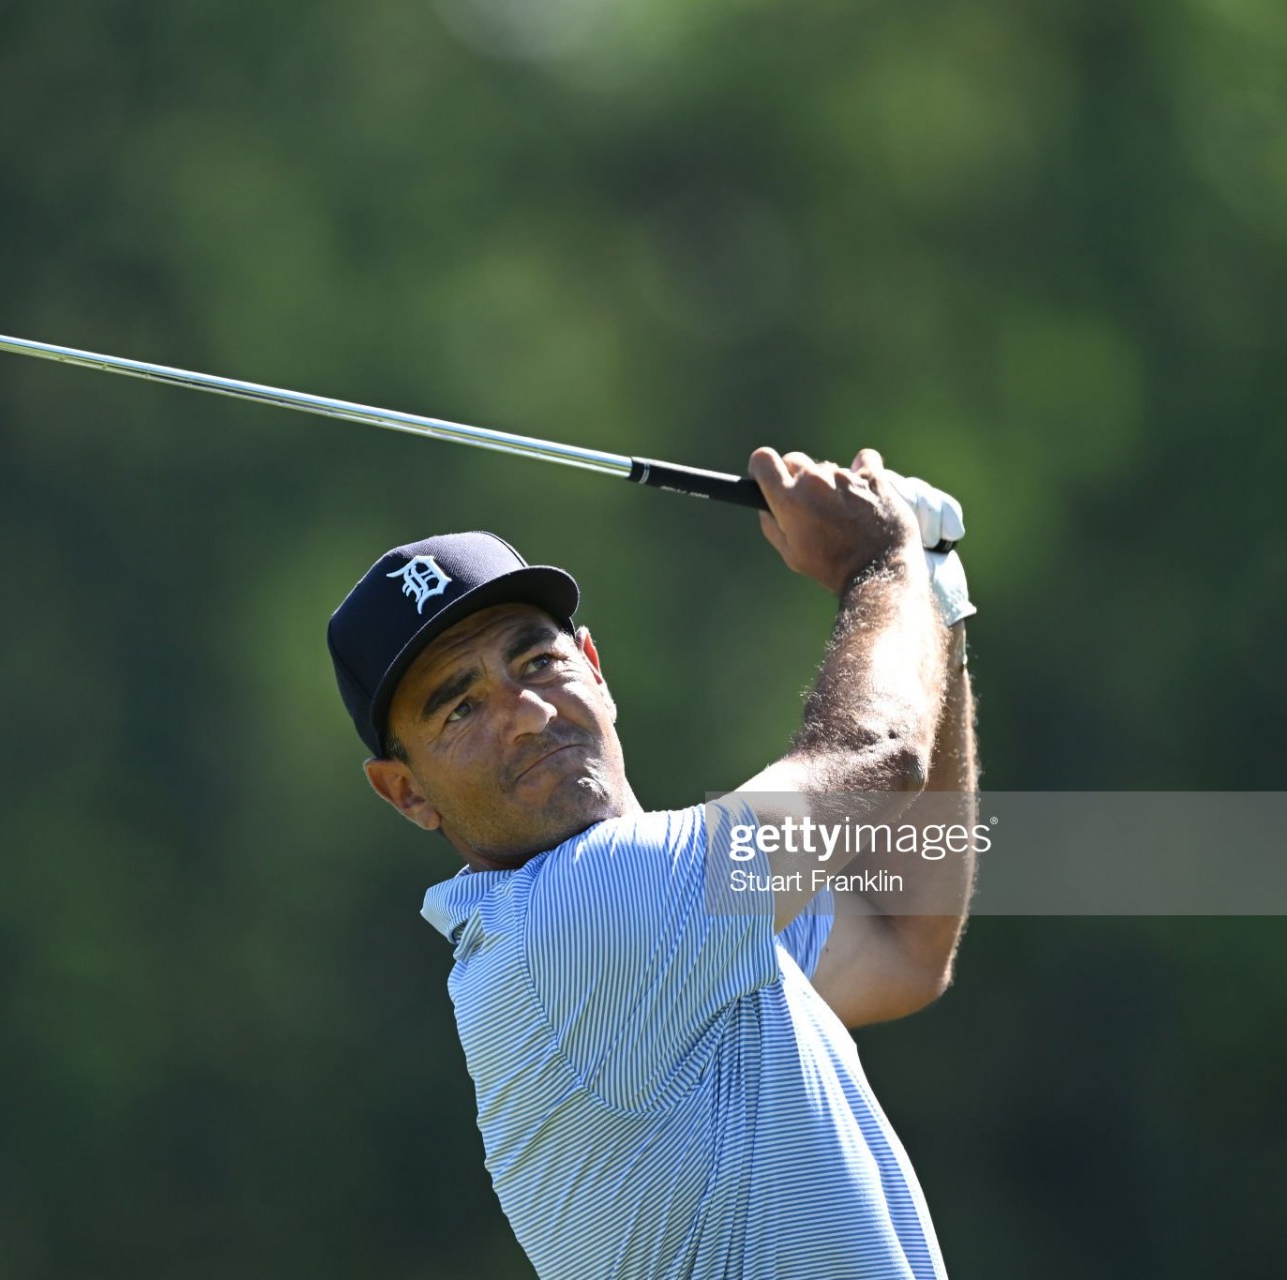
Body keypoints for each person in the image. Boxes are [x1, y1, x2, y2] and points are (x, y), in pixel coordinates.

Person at [326, 446, 978, 1279]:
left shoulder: (682, 924)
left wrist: (934, 604)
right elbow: (878, 755)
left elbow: (903, 943)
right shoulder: (577, 916)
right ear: (405, 791)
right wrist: (883, 564)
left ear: (594, 669)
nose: (526, 714)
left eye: (538, 661)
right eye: (459, 707)